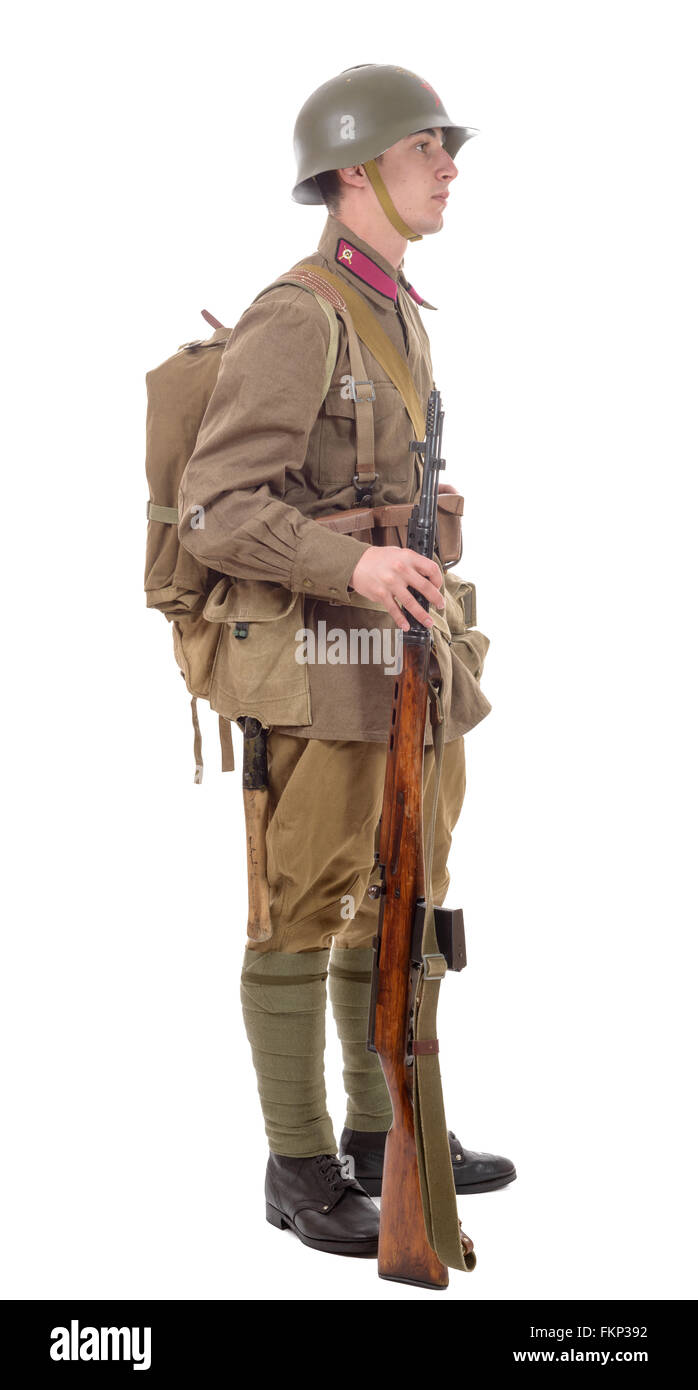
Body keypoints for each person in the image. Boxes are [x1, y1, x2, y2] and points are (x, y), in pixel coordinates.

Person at [178, 63, 515, 1259]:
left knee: (402, 895)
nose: (449, 167)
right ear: (358, 167)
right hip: (315, 665)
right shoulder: (299, 312)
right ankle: (298, 1165)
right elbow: (210, 509)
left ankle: (385, 1134)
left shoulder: (394, 308)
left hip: (402, 660)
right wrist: (351, 565)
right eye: (428, 147)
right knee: (301, 911)